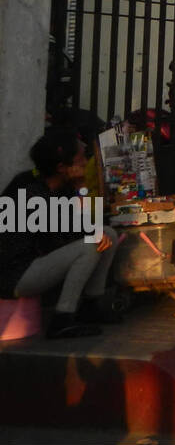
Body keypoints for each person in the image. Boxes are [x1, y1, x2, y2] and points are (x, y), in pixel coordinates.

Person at [0, 129, 121, 339]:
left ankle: (91, 305)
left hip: (39, 263)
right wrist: (81, 186)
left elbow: (88, 225)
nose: (85, 162)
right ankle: (62, 319)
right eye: (80, 159)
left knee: (108, 234)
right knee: (91, 244)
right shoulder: (30, 191)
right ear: (62, 167)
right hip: (15, 275)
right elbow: (79, 230)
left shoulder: (59, 186)